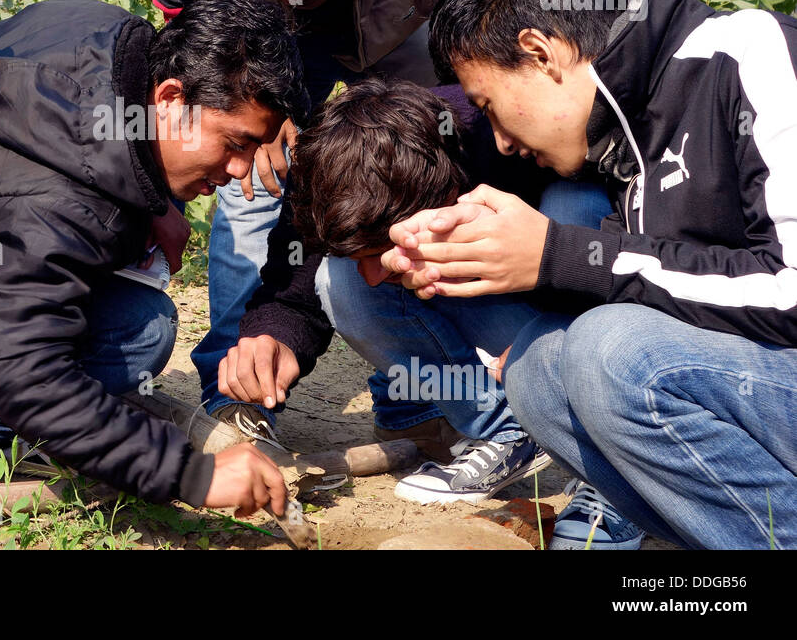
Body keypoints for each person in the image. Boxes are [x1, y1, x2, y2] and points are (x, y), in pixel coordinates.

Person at [0, 0, 309, 514]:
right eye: (234, 143)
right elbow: (27, 373)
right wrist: (191, 475)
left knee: (123, 312)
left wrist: (146, 208)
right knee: (137, 330)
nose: (240, 170)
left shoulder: (110, 40)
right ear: (170, 99)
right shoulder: (54, 191)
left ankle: (23, 433)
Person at [391, 0, 797, 548]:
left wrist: (561, 253)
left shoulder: (754, 56)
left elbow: (789, 289)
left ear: (540, 54)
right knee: (537, 371)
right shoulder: (628, 126)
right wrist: (476, 254)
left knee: (614, 353)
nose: (500, 141)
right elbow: (679, 273)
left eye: (490, 105)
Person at [150, 0, 505, 437]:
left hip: (412, 22)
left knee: (410, 184)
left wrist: (402, 136)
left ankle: (417, 394)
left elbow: (496, 72)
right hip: (259, 41)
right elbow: (183, 69)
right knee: (249, 180)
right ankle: (238, 394)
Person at [219, 77, 604, 503]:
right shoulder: (325, 167)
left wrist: (547, 335)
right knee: (339, 278)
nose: (372, 278)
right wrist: (276, 336)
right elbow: (291, 281)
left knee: (579, 204)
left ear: (444, 197)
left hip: (585, 306)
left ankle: (602, 453)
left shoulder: (508, 129)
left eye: (382, 250)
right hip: (495, 298)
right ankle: (508, 431)